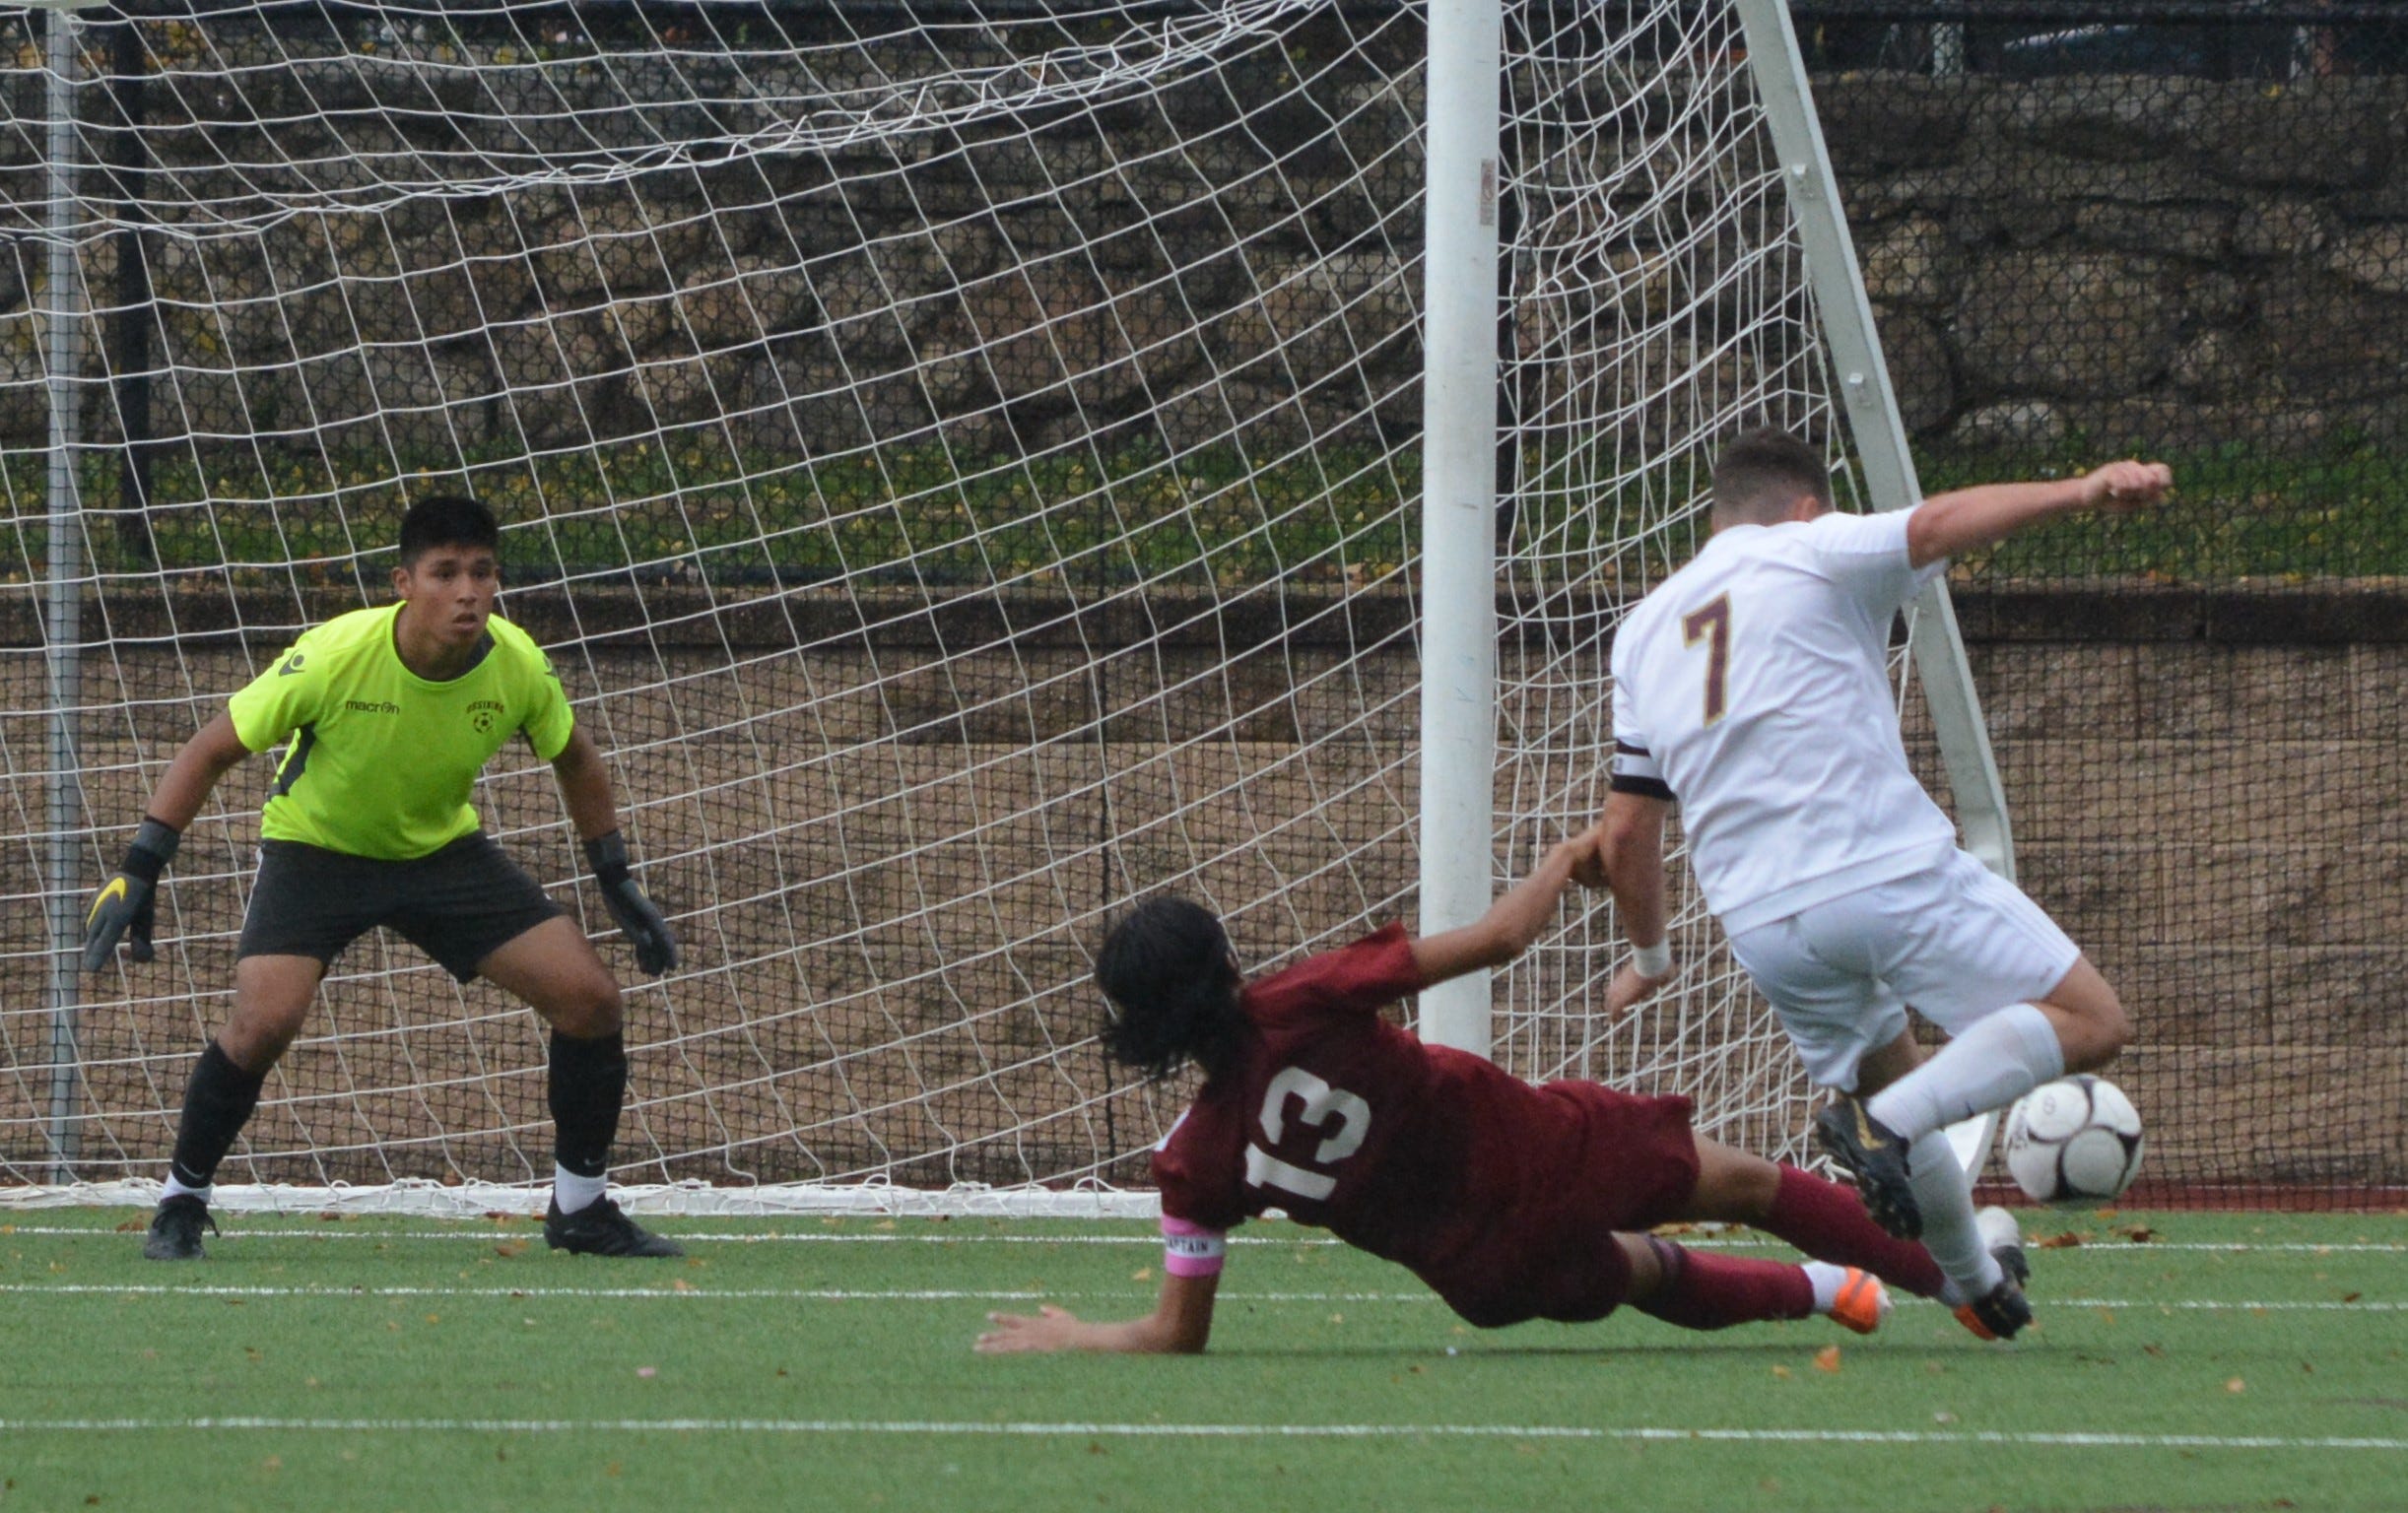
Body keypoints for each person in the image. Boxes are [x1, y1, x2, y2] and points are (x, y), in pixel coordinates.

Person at [1579, 428, 2173, 1340]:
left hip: (1765, 925)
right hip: (1881, 867)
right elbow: (1939, 523)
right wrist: (2081, 487)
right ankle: (1879, 1126)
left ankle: (1976, 1287)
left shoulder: (1645, 629)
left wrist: (1651, 957)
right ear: (1809, 504)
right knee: (2093, 1022)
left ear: (1717, 513)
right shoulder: (1813, 544)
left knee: (1896, 1081)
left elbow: (1628, 827)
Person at [975, 837, 1988, 1356]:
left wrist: (1081, 1335)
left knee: (1645, 1272)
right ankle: (1960, 1288)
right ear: (1226, 960)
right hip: (1550, 1150)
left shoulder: (1192, 1161)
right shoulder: (1303, 999)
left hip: (1482, 1276)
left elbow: (1173, 1335)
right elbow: (1501, 938)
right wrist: (1560, 861)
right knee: (1753, 1187)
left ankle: (1824, 1293)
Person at [83, 495, 685, 1261]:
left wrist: (615, 876)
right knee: (264, 1023)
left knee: (592, 1000)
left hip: (442, 857)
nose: (467, 591)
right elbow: (211, 749)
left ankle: (581, 1211)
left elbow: (576, 759)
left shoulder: (517, 663)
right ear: (405, 582)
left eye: (482, 572)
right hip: (317, 853)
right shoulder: (335, 655)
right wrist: (140, 868)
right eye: (445, 573)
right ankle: (181, 1202)